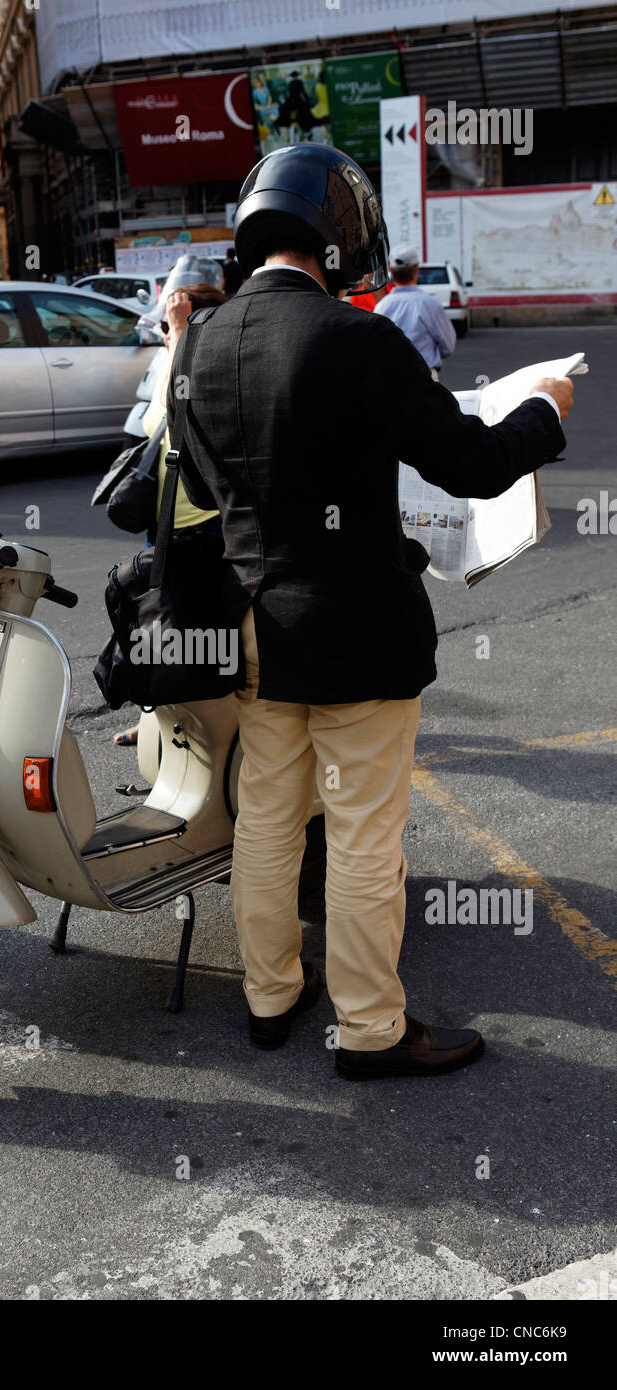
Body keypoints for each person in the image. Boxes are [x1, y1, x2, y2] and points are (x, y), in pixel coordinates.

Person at [165, 143, 573, 1080]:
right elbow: (469, 463)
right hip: (358, 636)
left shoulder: (202, 345)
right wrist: (544, 411)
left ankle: (270, 998)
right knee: (358, 835)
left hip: (255, 632)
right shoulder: (357, 338)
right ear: (337, 233)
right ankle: (371, 1029)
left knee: (268, 821)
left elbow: (196, 480)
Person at [113, 281, 226, 747]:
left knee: (202, 628)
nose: (164, 331)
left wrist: (180, 331)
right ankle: (156, 717)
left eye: (171, 323)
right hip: (165, 517)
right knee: (159, 623)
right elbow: (148, 421)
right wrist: (173, 337)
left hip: (204, 519)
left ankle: (215, 723)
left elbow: (171, 403)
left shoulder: (208, 356)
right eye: (163, 324)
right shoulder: (171, 353)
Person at [375, 246, 455, 379]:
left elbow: (377, 350)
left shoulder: (382, 307)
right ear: (417, 269)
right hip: (425, 379)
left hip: (392, 380)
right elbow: (448, 347)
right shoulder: (430, 304)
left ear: (391, 271)